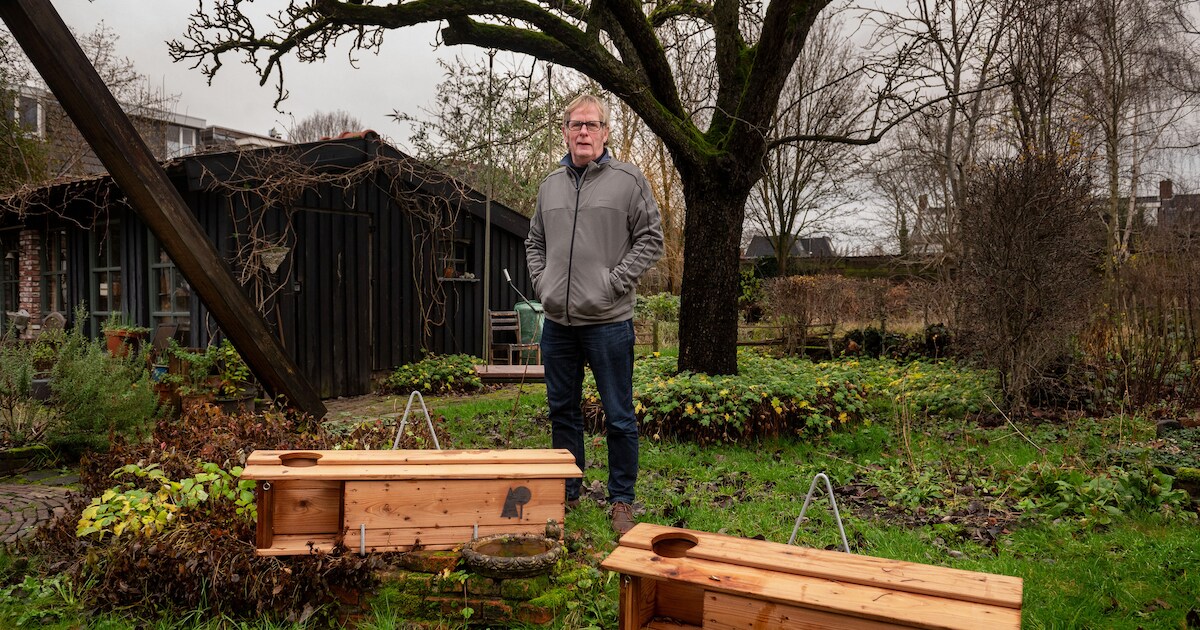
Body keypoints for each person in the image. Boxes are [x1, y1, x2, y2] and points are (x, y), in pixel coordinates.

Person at [525, 94, 664, 535]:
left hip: (608, 323)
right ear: (564, 132)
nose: (583, 132)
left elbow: (651, 239)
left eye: (591, 124)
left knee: (618, 414)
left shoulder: (628, 180)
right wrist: (544, 283)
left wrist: (613, 282)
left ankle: (622, 499)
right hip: (559, 326)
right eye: (575, 124)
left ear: (605, 132)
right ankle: (567, 489)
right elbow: (534, 243)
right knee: (562, 411)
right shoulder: (550, 186)